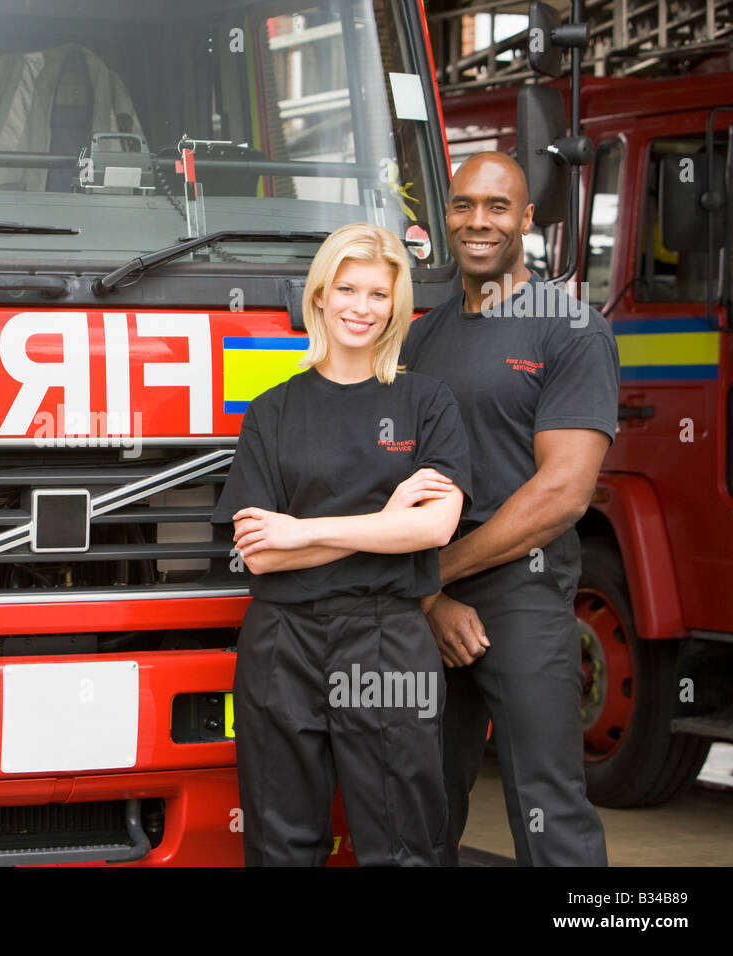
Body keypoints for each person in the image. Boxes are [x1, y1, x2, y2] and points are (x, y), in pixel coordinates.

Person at [212, 222, 473, 866]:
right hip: (281, 643)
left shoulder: (426, 402)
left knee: (402, 843)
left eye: (379, 295)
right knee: (281, 843)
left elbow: (433, 529)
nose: (362, 307)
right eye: (347, 289)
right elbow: (262, 553)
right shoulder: (271, 410)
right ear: (321, 295)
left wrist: (305, 529)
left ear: (397, 306)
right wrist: (384, 523)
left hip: (386, 639)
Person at [401, 151, 618, 866]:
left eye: (498, 207)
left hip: (521, 591)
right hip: (429, 596)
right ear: (446, 219)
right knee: (419, 804)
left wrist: (440, 573)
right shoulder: (424, 338)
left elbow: (563, 493)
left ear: (527, 220)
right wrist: (431, 599)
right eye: (464, 206)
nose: (478, 221)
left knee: (546, 809)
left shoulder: (568, 329)